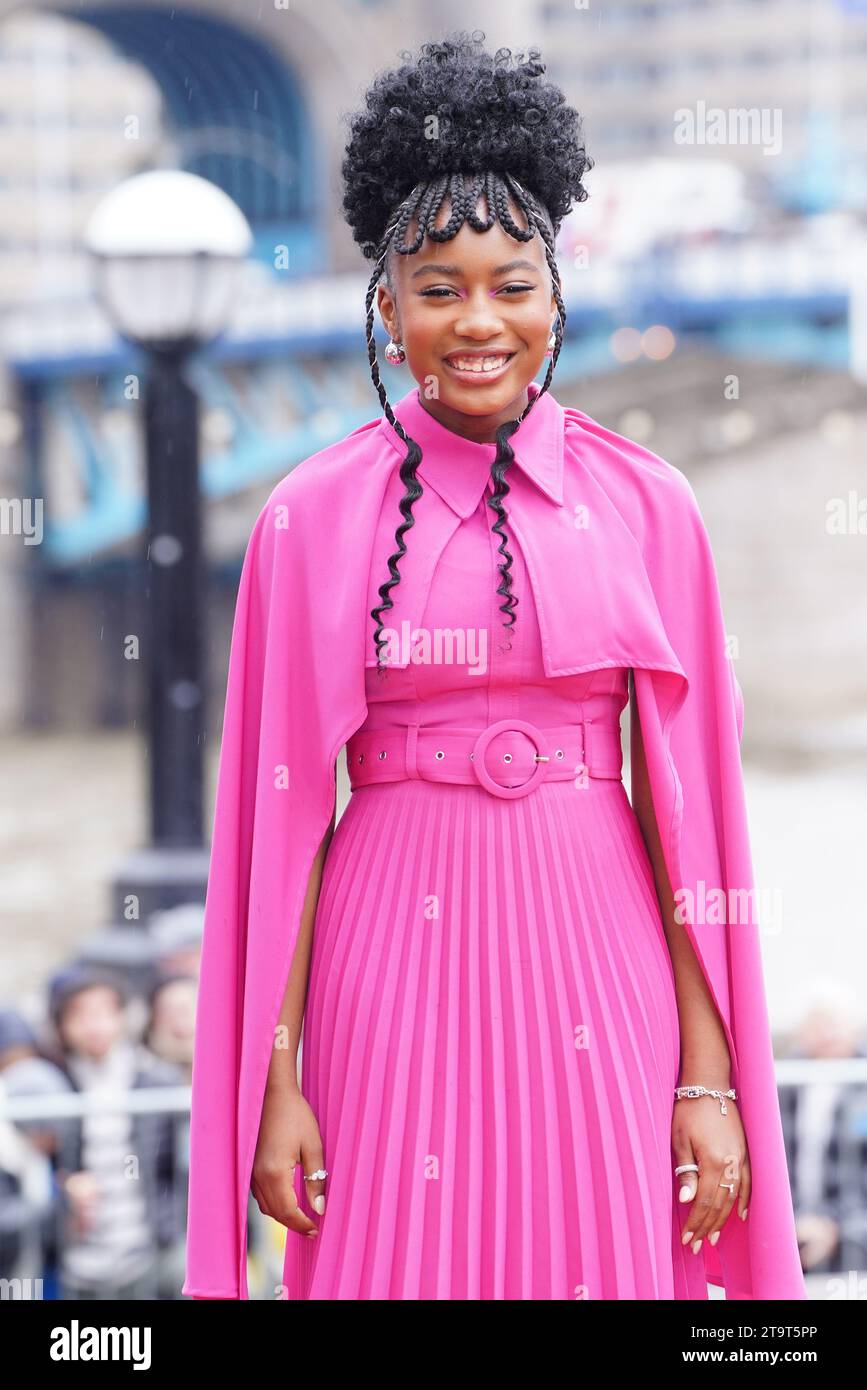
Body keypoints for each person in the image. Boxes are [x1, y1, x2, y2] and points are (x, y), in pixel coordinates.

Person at [183, 31, 806, 1300]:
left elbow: (690, 825)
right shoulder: (307, 519)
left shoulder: (652, 507)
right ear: (386, 307)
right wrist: (282, 1077)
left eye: (511, 285)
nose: (478, 322)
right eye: (438, 286)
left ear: (557, 297)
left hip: (601, 960)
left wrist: (708, 1078)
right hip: (384, 972)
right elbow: (283, 820)